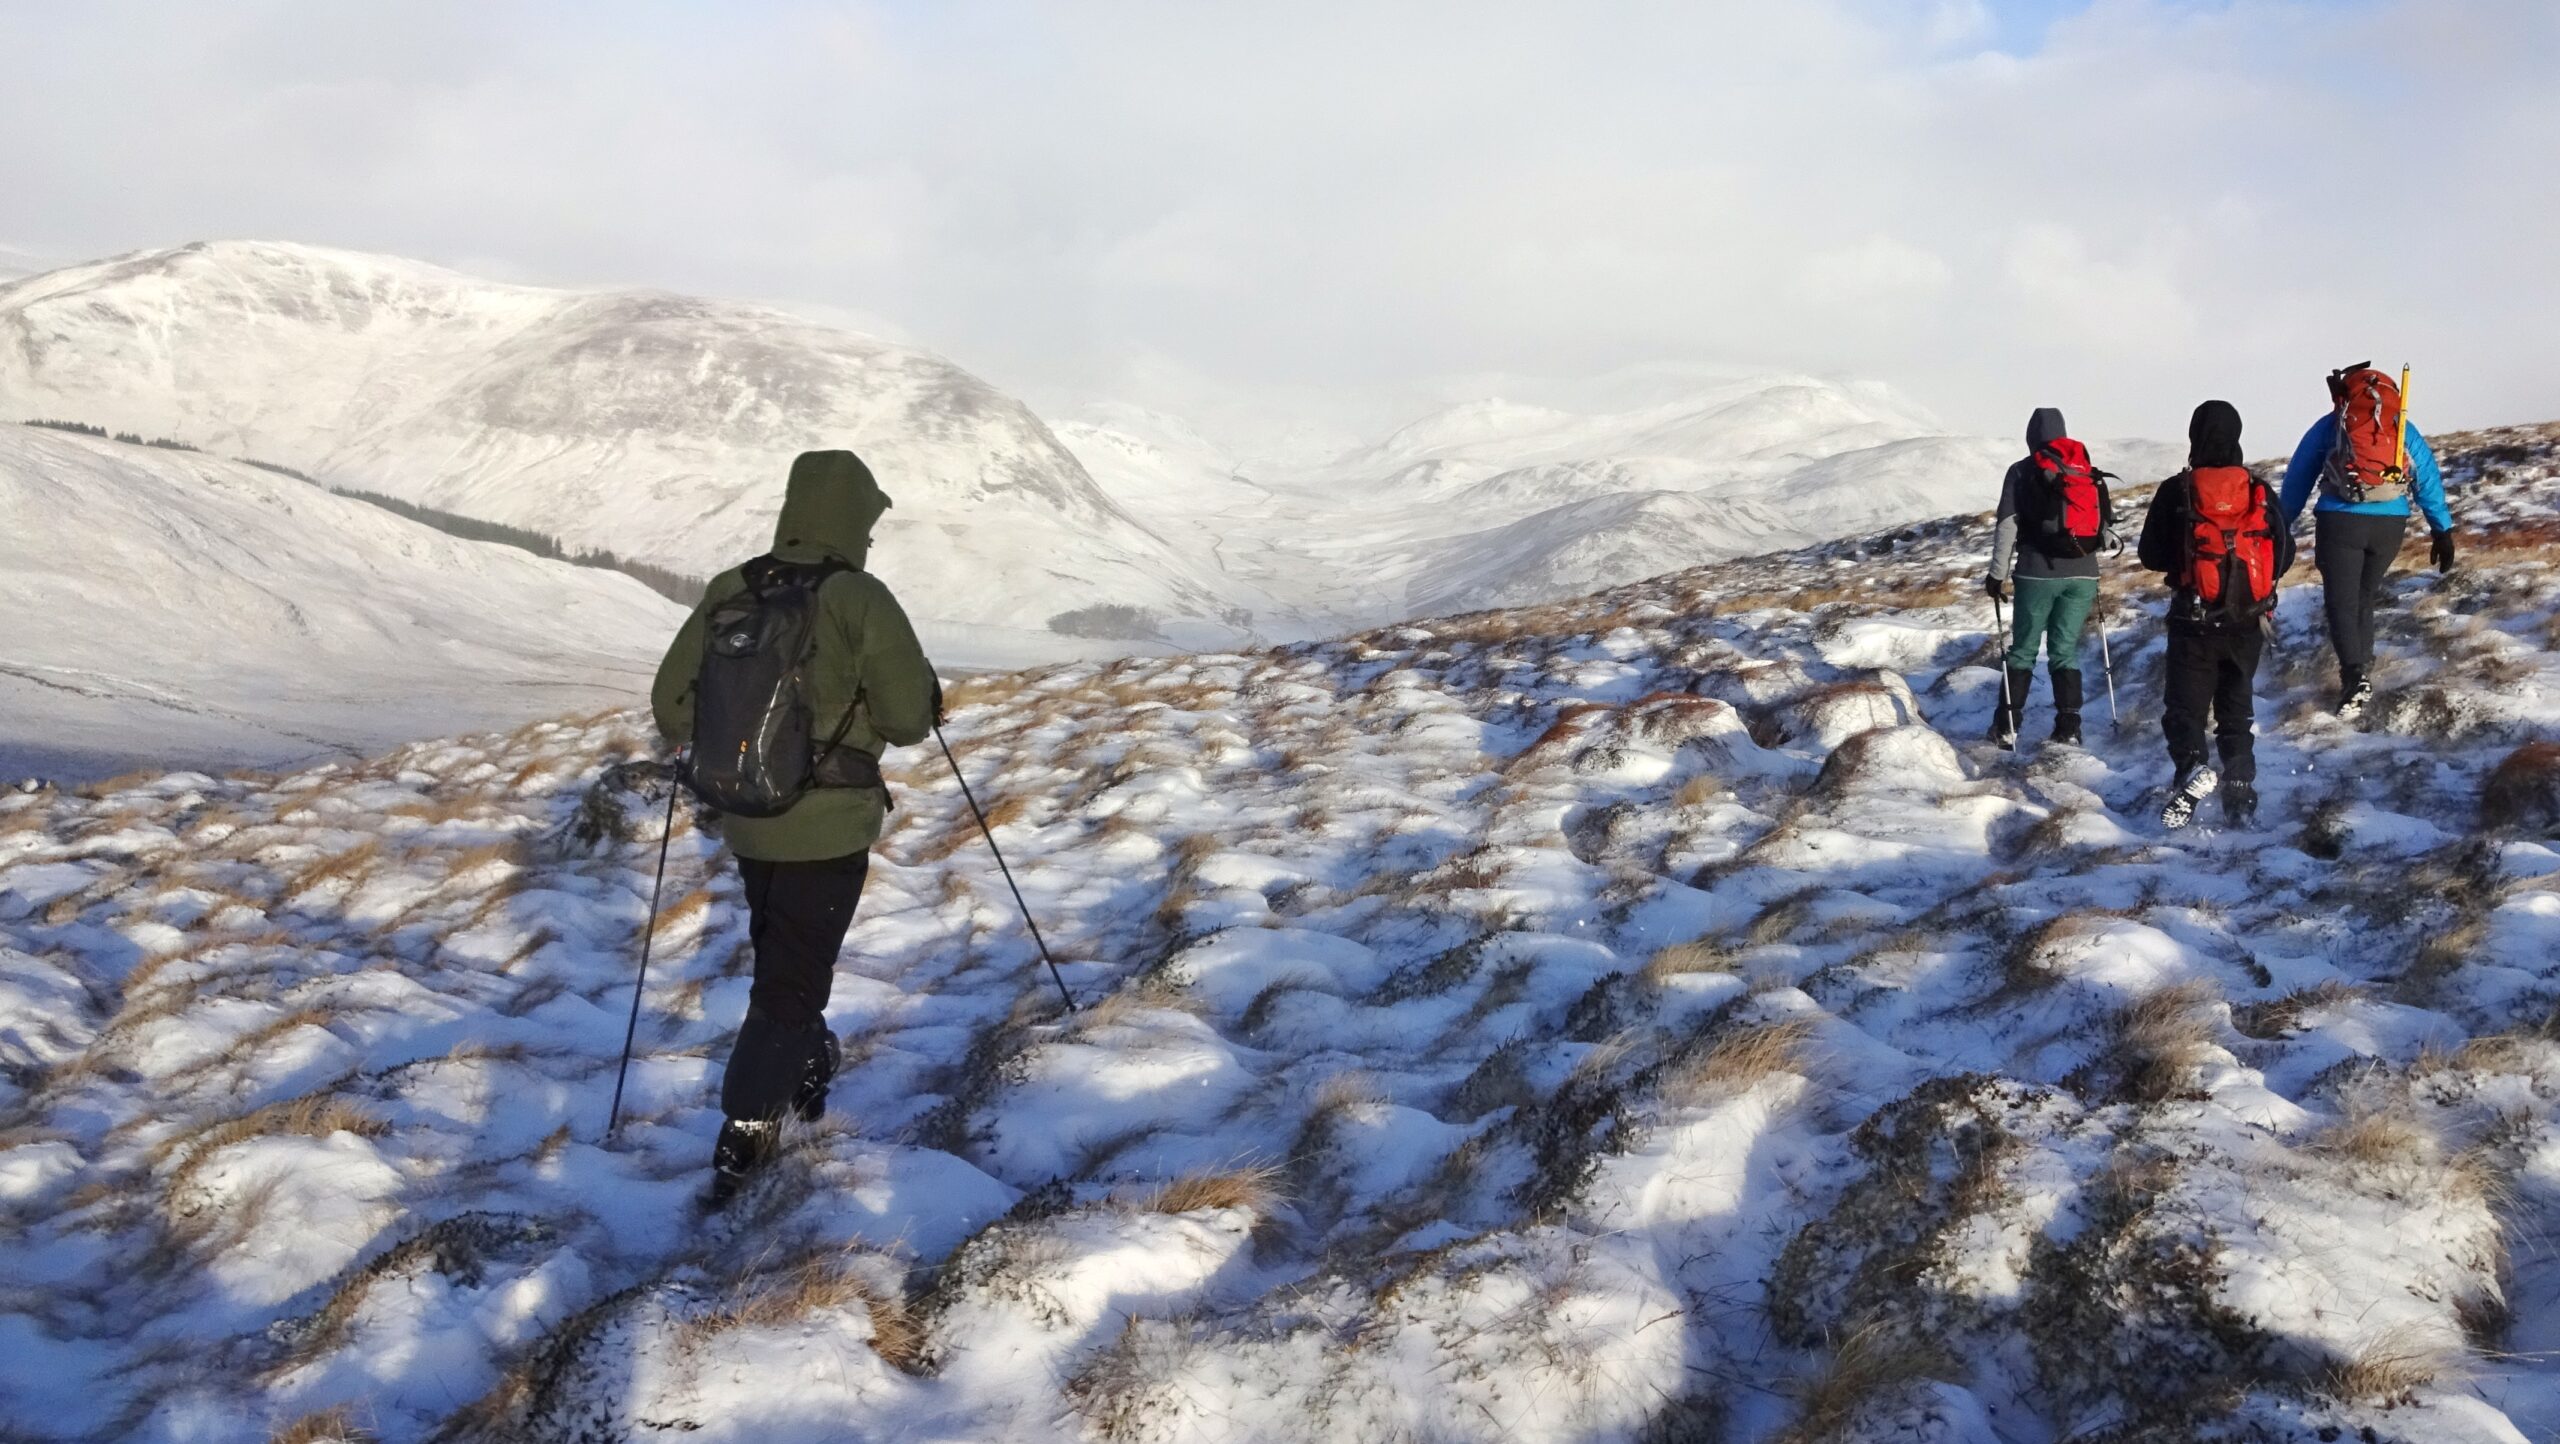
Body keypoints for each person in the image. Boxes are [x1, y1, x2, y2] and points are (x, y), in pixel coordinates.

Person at [651, 449, 939, 1207]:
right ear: (852, 519)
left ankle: (809, 1061)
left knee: (782, 950)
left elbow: (671, 708)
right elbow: (910, 720)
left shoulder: (732, 587)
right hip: (830, 825)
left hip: (747, 817)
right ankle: (746, 1128)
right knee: (793, 974)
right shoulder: (858, 597)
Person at [2138, 401, 2295, 828]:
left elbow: (2149, 554)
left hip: (2194, 620)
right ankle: (2239, 787)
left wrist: (2188, 561)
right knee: (2235, 708)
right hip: (2249, 620)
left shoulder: (2179, 489)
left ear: (2195, 436)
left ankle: (2192, 769)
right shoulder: (2257, 489)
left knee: (2185, 709)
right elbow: (2285, 553)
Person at [2278, 363, 2456, 721]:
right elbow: (2427, 477)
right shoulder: (2401, 426)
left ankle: (2354, 678)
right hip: (2390, 523)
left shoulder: (2331, 426)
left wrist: (2280, 524)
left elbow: (2299, 476)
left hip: (2340, 520)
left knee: (2341, 601)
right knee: (2363, 596)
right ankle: (2363, 664)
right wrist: (2442, 530)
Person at [1986, 407, 2118, 748]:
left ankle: (2007, 727)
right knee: (2065, 652)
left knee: (2023, 651)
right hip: (2084, 574)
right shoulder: (2084, 470)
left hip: (2037, 572)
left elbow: (2007, 525)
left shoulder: (2021, 471)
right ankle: (2069, 728)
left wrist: (1996, 575)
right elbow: (2104, 529)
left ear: (2031, 437)